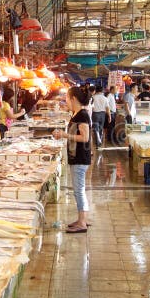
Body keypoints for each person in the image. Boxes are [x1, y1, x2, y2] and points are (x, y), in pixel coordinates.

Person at [53, 86, 92, 233]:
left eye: (67, 99)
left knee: (79, 191)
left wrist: (65, 135)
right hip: (77, 156)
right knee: (78, 190)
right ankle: (82, 219)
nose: (66, 101)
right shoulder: (77, 113)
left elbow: (85, 137)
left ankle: (82, 223)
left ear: (73, 98)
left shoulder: (82, 115)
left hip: (80, 157)